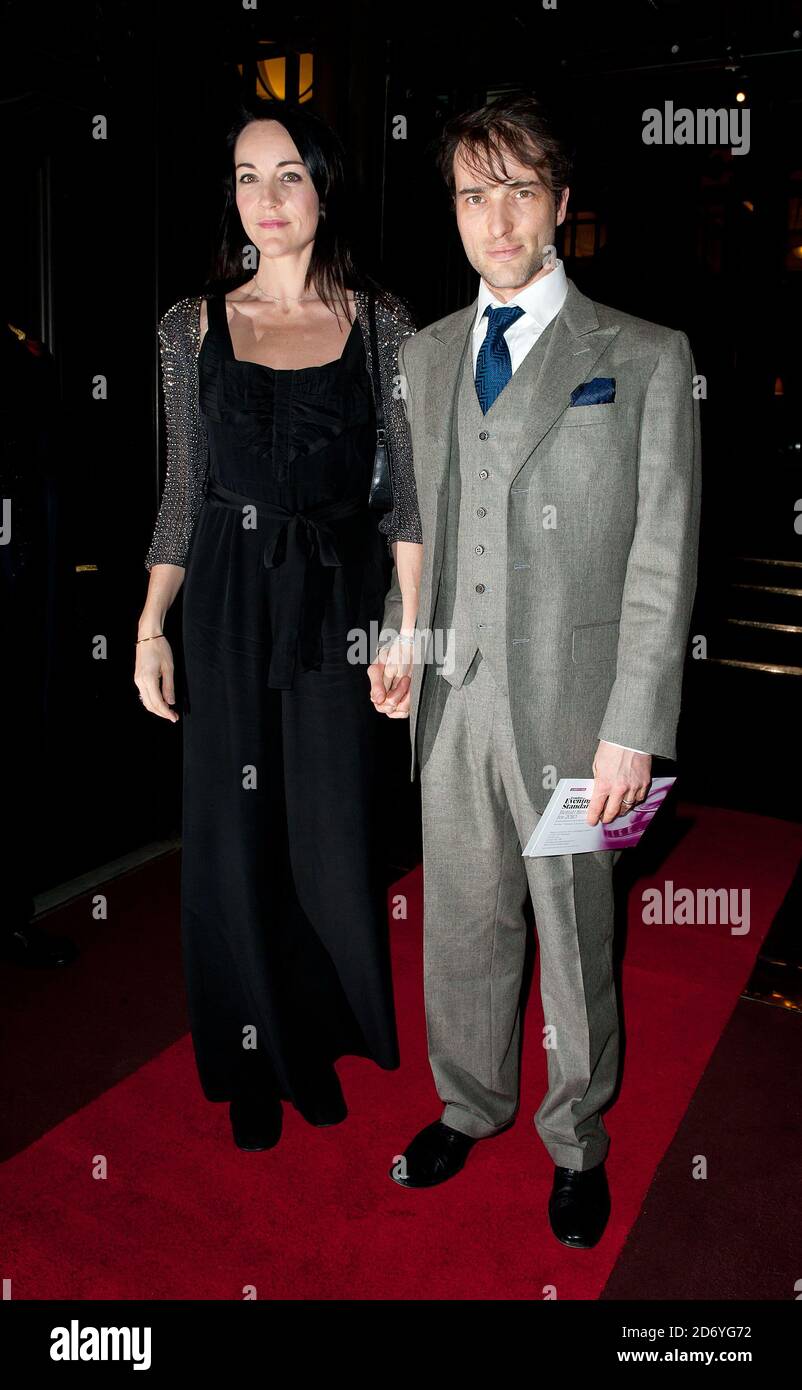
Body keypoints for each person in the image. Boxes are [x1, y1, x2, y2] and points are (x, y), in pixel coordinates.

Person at [369, 92, 701, 1247]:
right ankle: (468, 1102)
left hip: (574, 712)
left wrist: (634, 724)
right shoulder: (420, 357)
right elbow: (418, 525)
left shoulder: (646, 357)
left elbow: (662, 554)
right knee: (460, 923)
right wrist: (400, 638)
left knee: (572, 933)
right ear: (452, 209)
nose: (495, 217)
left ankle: (576, 1137)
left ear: (559, 204)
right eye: (473, 192)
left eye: (518, 190)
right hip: (454, 703)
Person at [136, 101, 422, 1151]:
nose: (268, 198)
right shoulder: (190, 325)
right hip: (220, 600)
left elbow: (410, 499)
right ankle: (250, 1054)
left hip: (338, 602)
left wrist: (405, 626)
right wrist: (149, 627)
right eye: (249, 177)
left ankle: (321, 1030)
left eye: (289, 174)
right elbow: (179, 491)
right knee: (229, 835)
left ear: (325, 186)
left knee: (330, 828)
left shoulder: (383, 321)